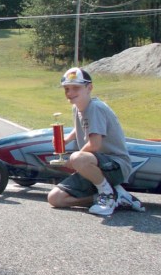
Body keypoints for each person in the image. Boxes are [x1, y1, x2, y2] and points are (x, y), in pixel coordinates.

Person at [47, 67, 132, 216]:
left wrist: (72, 162)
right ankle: (112, 196)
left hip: (115, 165)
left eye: (76, 88)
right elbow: (80, 127)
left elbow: (95, 145)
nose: (70, 93)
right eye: (66, 89)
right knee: (55, 198)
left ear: (89, 88)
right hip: (92, 166)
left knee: (77, 158)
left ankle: (107, 195)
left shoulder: (95, 108)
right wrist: (66, 139)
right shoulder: (77, 108)